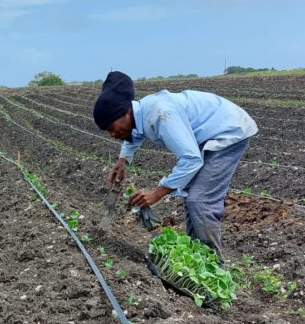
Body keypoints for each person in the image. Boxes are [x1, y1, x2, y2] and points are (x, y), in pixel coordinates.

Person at [92, 70, 257, 259]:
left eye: (112, 128)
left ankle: (214, 265)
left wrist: (157, 193)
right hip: (207, 135)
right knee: (190, 198)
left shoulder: (161, 113)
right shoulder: (140, 113)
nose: (112, 134)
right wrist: (123, 160)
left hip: (227, 131)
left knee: (200, 200)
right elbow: (134, 134)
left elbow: (191, 159)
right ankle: (196, 256)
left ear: (125, 113)